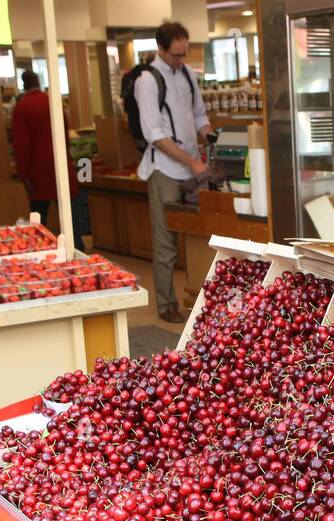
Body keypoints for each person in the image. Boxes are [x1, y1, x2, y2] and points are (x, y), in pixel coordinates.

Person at [135, 20, 214, 325]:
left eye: (184, 55)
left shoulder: (187, 76)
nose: (181, 61)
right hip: (165, 169)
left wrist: (208, 134)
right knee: (166, 239)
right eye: (175, 56)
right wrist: (191, 163)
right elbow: (155, 133)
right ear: (161, 49)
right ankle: (166, 303)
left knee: (199, 235)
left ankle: (204, 299)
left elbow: (199, 115)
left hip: (193, 167)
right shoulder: (148, 80)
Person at [11, 69, 85, 252]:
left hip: (38, 171)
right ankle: (77, 250)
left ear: (24, 85)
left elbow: (22, 145)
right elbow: (66, 135)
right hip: (60, 166)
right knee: (69, 215)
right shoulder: (53, 102)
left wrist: (23, 173)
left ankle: (41, 252)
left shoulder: (22, 107)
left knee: (39, 219)